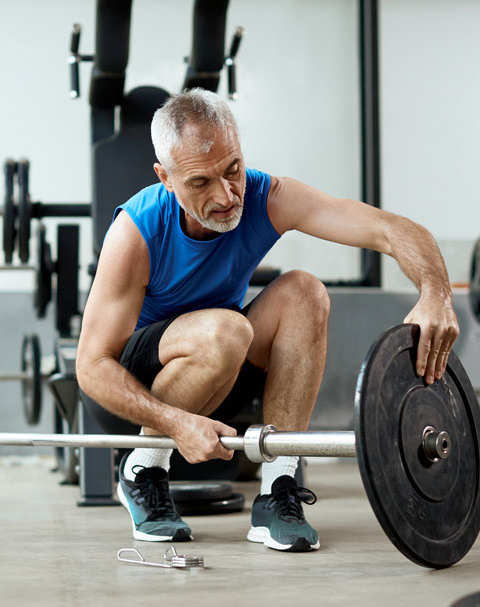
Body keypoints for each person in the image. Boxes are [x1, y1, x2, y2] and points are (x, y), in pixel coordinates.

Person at [77, 89, 459, 553]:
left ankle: (279, 488)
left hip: (221, 371)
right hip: (135, 390)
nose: (225, 196)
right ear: (166, 178)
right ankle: (145, 468)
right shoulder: (135, 232)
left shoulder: (268, 196)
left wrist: (435, 293)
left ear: (240, 148)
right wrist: (173, 423)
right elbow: (92, 366)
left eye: (232, 169)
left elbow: (391, 228)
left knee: (305, 292)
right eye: (200, 183)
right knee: (228, 330)